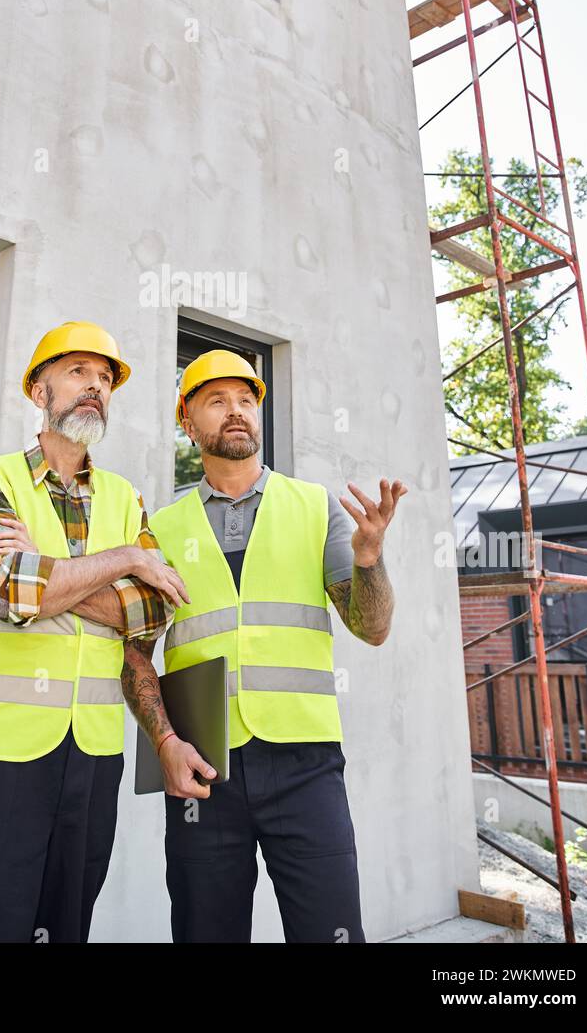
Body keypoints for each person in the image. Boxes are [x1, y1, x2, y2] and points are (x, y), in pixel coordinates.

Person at [121, 349, 405, 943]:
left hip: (306, 763)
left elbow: (371, 627)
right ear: (188, 421)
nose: (236, 412)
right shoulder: (158, 528)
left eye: (247, 400)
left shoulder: (313, 505)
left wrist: (369, 561)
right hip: (204, 764)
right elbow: (135, 652)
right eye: (216, 400)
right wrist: (164, 743)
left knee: (331, 930)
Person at [0, 321, 188, 943]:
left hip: (94, 754)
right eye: (77, 373)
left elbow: (152, 614)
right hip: (1, 751)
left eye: (104, 378)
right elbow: (10, 592)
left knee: (66, 922)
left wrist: (48, 568)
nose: (94, 387)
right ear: (39, 389)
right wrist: (124, 560)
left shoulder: (125, 497)